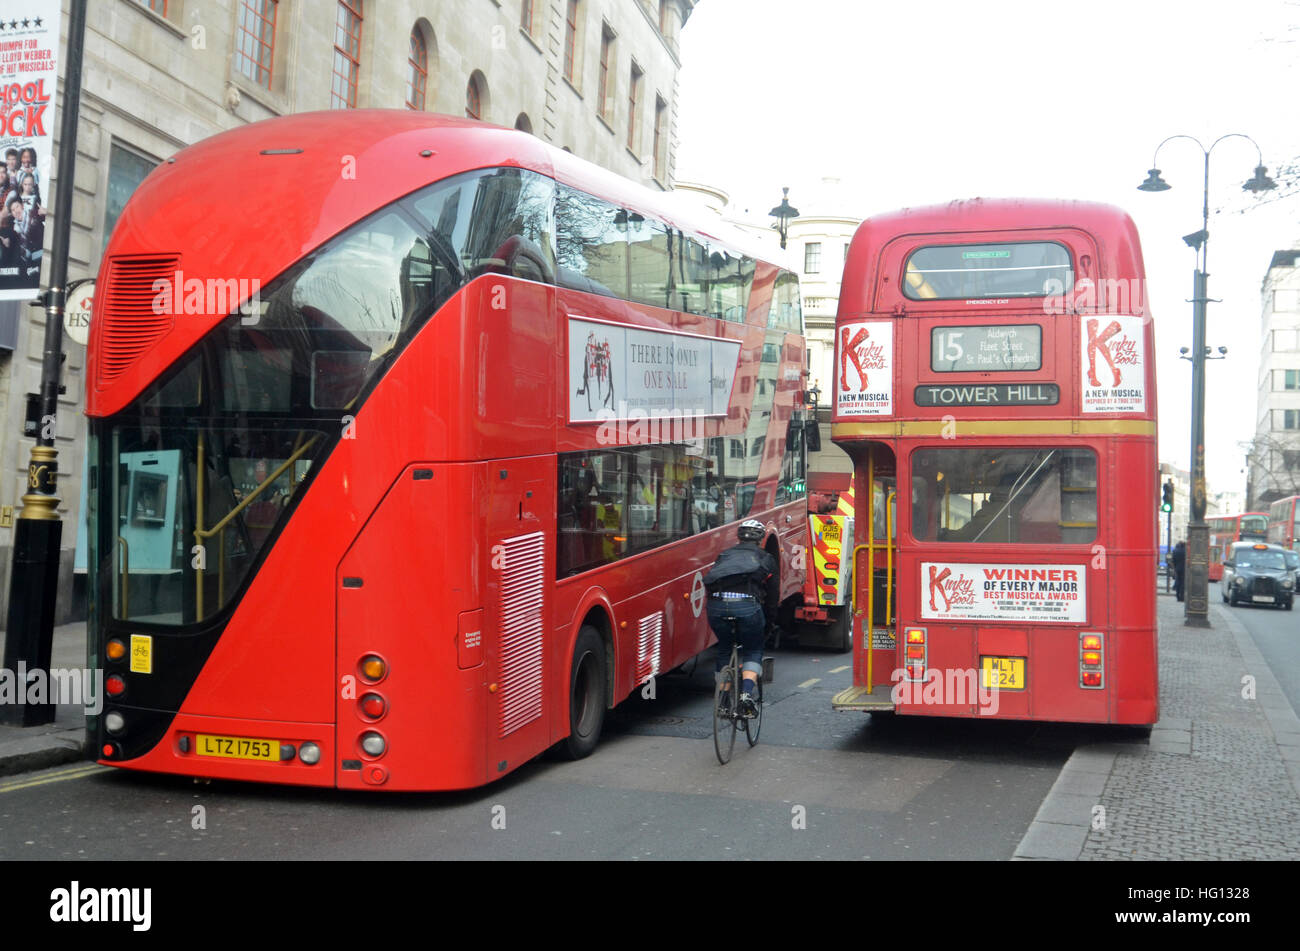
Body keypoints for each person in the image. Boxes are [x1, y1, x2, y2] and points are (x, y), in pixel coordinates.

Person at [703, 518, 778, 718]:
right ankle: (745, 695)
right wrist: (769, 624)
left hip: (716, 606)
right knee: (753, 649)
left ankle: (723, 700)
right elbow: (772, 596)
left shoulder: (724, 555)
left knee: (724, 649)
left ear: (738, 537)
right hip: (747, 607)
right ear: (761, 539)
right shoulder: (766, 558)